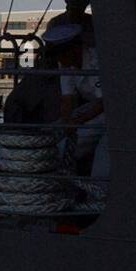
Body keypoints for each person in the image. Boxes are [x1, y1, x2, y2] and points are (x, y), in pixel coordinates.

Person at [45, 23, 107, 176]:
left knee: (100, 163)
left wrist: (75, 123)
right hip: (93, 108)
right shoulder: (66, 64)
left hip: (113, 111)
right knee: (49, 136)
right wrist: (66, 121)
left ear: (74, 49)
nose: (59, 59)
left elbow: (104, 102)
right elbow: (67, 98)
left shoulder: (97, 61)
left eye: (60, 54)